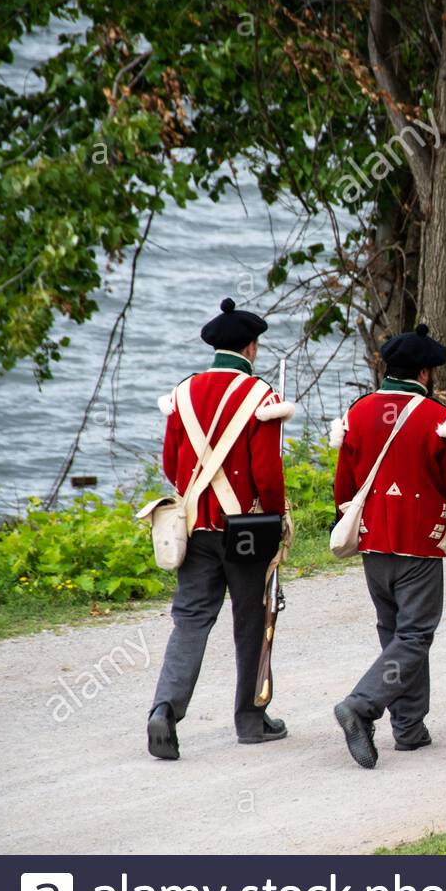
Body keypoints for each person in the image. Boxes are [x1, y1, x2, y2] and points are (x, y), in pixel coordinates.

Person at [330, 324, 446, 769]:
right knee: (415, 635)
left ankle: (409, 727)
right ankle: (362, 706)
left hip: (372, 542)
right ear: (424, 372)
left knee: (394, 633)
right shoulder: (439, 418)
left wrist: (345, 521)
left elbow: (344, 484)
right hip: (418, 543)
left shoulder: (358, 412)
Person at [147, 298, 295, 760]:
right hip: (246, 529)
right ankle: (250, 721)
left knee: (190, 621)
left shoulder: (183, 393)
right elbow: (267, 474)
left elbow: (172, 467)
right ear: (251, 347)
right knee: (251, 622)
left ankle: (165, 710)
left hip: (195, 527)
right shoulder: (260, 397)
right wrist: (275, 521)